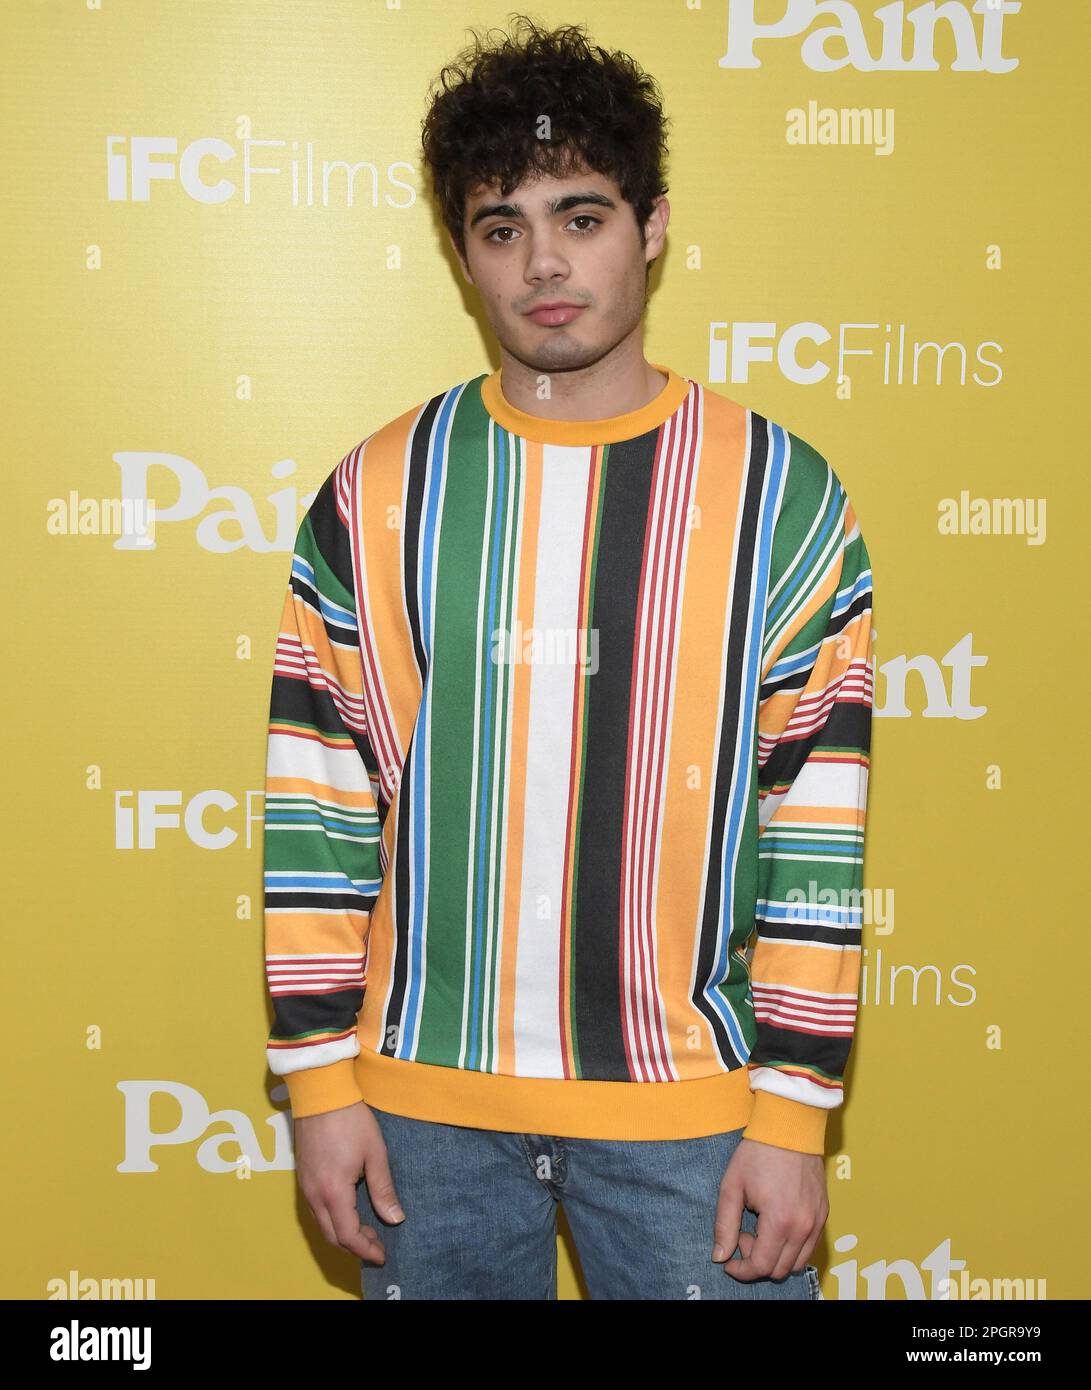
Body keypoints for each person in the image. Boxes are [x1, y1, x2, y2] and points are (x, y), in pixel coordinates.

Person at [262, 14, 874, 1301]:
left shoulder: (780, 494)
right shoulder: (380, 492)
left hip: (693, 1118)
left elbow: (817, 820)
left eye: (579, 216)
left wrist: (791, 1112)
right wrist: (319, 1083)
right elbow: (317, 808)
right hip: (418, 1117)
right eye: (501, 228)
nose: (543, 261)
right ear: (462, 255)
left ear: (650, 225)